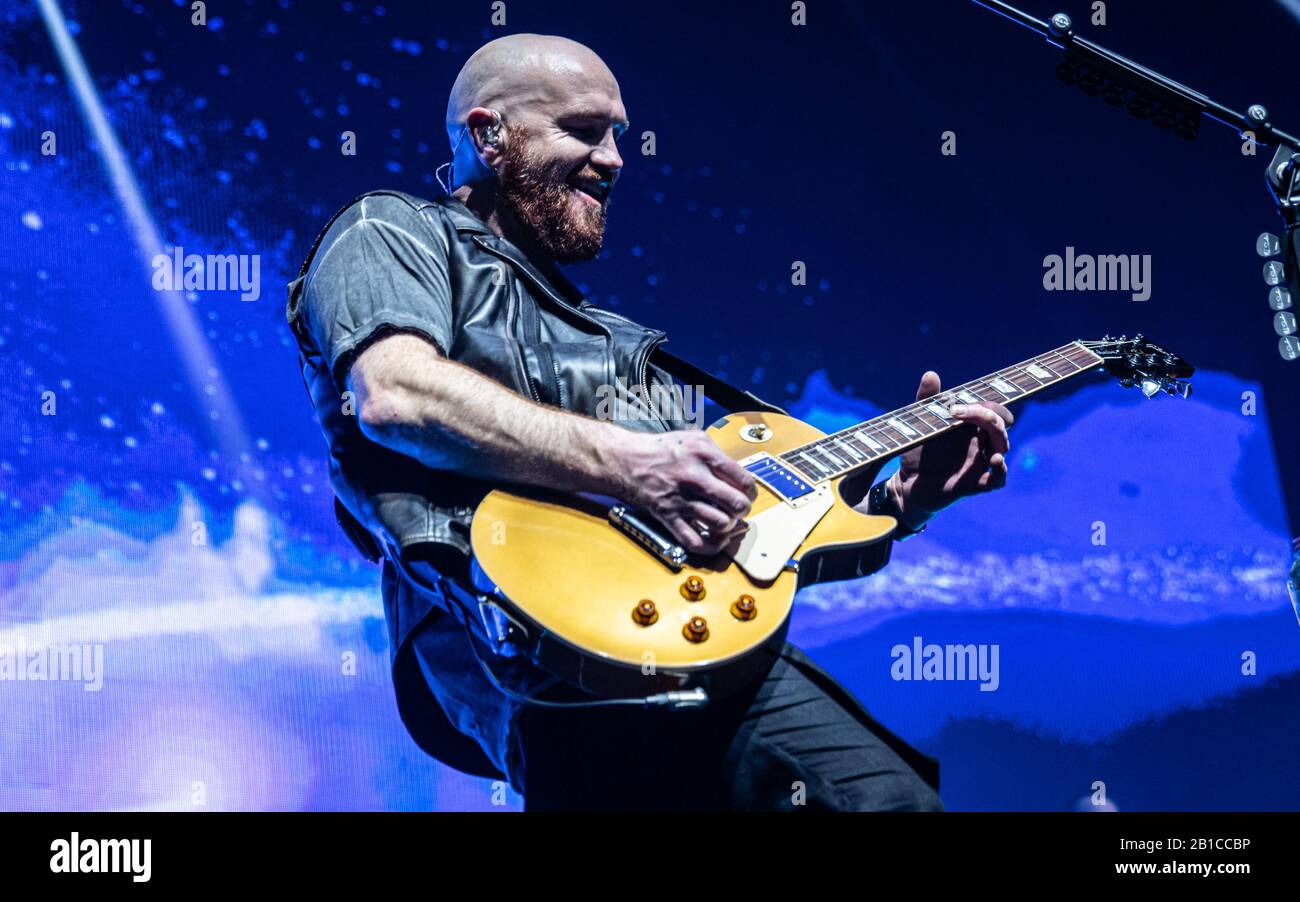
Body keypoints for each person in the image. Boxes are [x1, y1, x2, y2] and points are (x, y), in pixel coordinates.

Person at [286, 34, 1014, 811]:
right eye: (584, 129)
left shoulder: (608, 337)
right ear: (487, 135)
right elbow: (397, 394)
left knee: (893, 805)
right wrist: (629, 464)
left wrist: (904, 505)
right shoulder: (388, 230)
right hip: (534, 642)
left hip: (690, 642)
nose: (615, 158)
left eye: (619, 136)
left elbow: (727, 511)